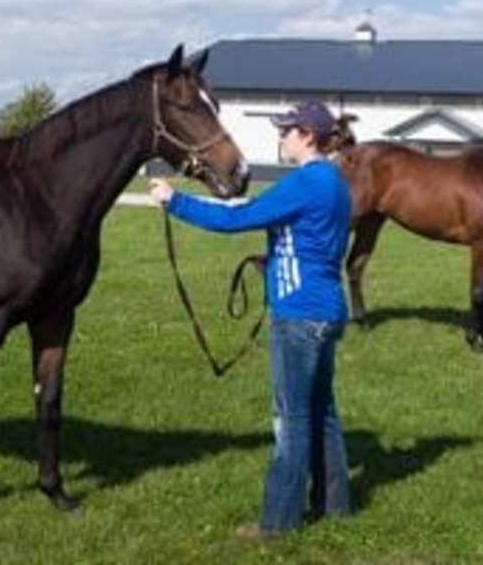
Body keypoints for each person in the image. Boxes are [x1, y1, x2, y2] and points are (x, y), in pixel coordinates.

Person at [149, 100, 352, 536]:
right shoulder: (335, 182)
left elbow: (236, 218)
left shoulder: (303, 183)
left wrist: (174, 201)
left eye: (286, 131)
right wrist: (277, 258)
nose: (280, 138)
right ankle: (335, 507)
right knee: (323, 413)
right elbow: (320, 244)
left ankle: (277, 525)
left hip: (298, 316)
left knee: (291, 419)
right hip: (328, 309)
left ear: (308, 137)